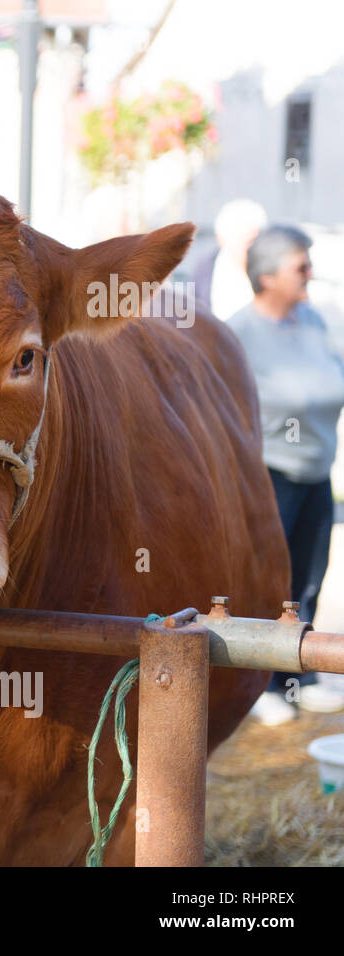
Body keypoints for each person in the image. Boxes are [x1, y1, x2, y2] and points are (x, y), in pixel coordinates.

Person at [228, 225, 344, 724]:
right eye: (302, 265)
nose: (310, 274)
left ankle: (302, 675)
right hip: (270, 474)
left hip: (317, 470)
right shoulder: (239, 333)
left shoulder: (315, 321)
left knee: (310, 578)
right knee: (273, 582)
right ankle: (266, 683)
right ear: (269, 275)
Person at [194, 199, 267, 320]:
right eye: (246, 241)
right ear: (221, 239)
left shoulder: (270, 268)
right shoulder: (207, 266)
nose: (251, 247)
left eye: (255, 240)